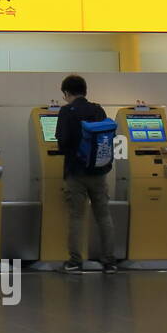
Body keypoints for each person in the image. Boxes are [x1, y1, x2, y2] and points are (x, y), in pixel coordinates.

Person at [54, 74, 118, 273]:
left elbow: (62, 142)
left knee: (77, 217)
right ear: (85, 91)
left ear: (66, 93)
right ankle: (109, 262)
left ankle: (75, 261)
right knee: (104, 216)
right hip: (99, 171)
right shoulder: (97, 109)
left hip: (76, 172)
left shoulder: (66, 111)